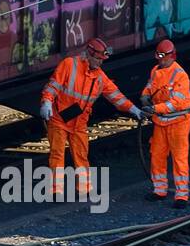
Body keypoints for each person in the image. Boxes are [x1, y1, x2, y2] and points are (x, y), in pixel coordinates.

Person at [40, 38, 142, 198]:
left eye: (102, 60)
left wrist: (134, 109)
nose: (100, 63)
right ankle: (56, 191)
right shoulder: (69, 65)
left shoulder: (100, 77)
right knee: (57, 154)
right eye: (98, 59)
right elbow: (53, 85)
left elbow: (116, 96)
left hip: (79, 122)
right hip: (59, 119)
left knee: (81, 154)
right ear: (89, 54)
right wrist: (46, 102)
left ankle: (84, 189)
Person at [141, 38, 190, 207]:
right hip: (161, 122)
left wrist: (155, 108)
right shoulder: (155, 70)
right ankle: (160, 190)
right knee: (157, 156)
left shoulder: (180, 75)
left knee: (179, 159)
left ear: (172, 56)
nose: (160, 59)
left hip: (178, 122)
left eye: (163, 56)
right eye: (158, 56)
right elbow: (150, 86)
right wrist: (145, 95)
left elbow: (176, 103)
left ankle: (181, 196)